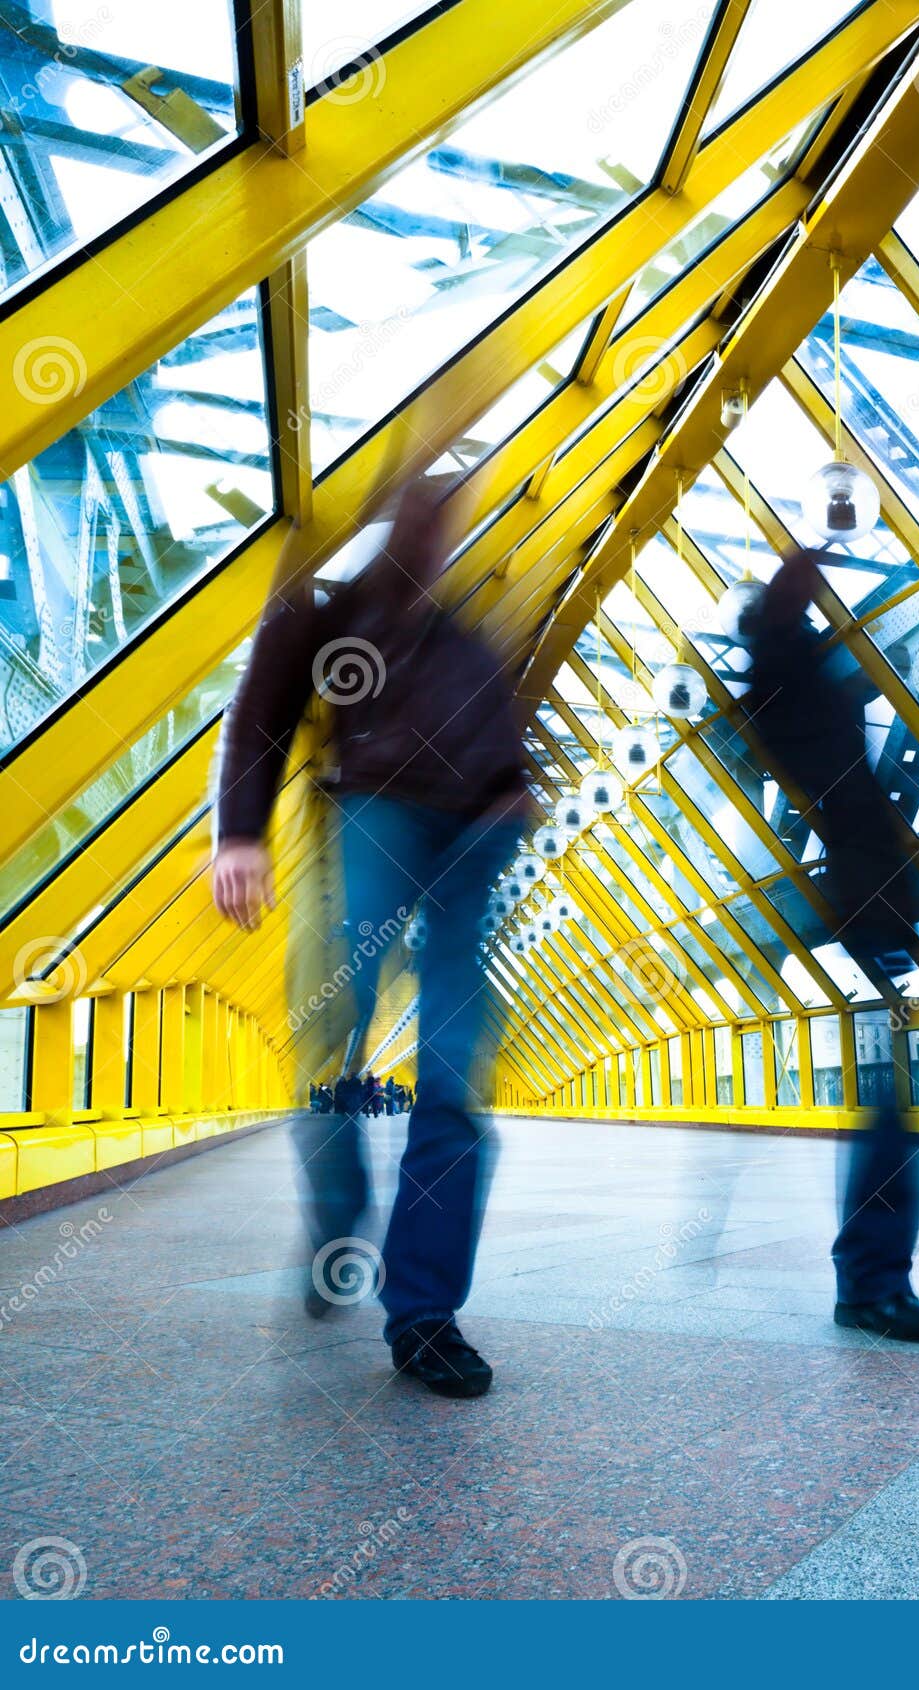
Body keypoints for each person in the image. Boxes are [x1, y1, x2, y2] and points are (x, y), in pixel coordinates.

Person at [212, 471, 529, 1397]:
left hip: (473, 837)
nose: (442, 527)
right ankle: (340, 1209)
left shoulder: (468, 636)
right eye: (428, 507)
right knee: (328, 1022)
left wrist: (515, 787)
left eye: (451, 511)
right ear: (390, 514)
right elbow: (263, 706)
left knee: (455, 1067)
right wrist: (240, 831)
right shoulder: (337, 602)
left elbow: (504, 738)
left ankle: (425, 1315)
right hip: (374, 809)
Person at [743, 548, 919, 1343]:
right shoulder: (784, 672)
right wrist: (814, 553)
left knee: (892, 1106)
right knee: (893, 1107)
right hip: (868, 890)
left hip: (868, 887)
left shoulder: (778, 678)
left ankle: (872, 1278)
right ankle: (870, 1282)